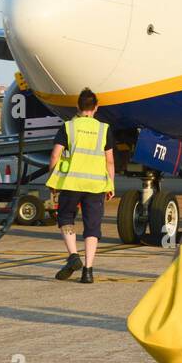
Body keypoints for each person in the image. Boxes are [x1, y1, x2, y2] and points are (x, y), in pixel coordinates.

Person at [47, 88, 116, 284]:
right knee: (92, 226)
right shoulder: (104, 129)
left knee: (66, 218)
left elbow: (55, 155)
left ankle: (73, 256)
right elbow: (109, 160)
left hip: (71, 183)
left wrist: (52, 180)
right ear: (96, 107)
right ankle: (88, 271)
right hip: (95, 185)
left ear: (77, 106)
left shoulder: (68, 127)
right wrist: (110, 184)